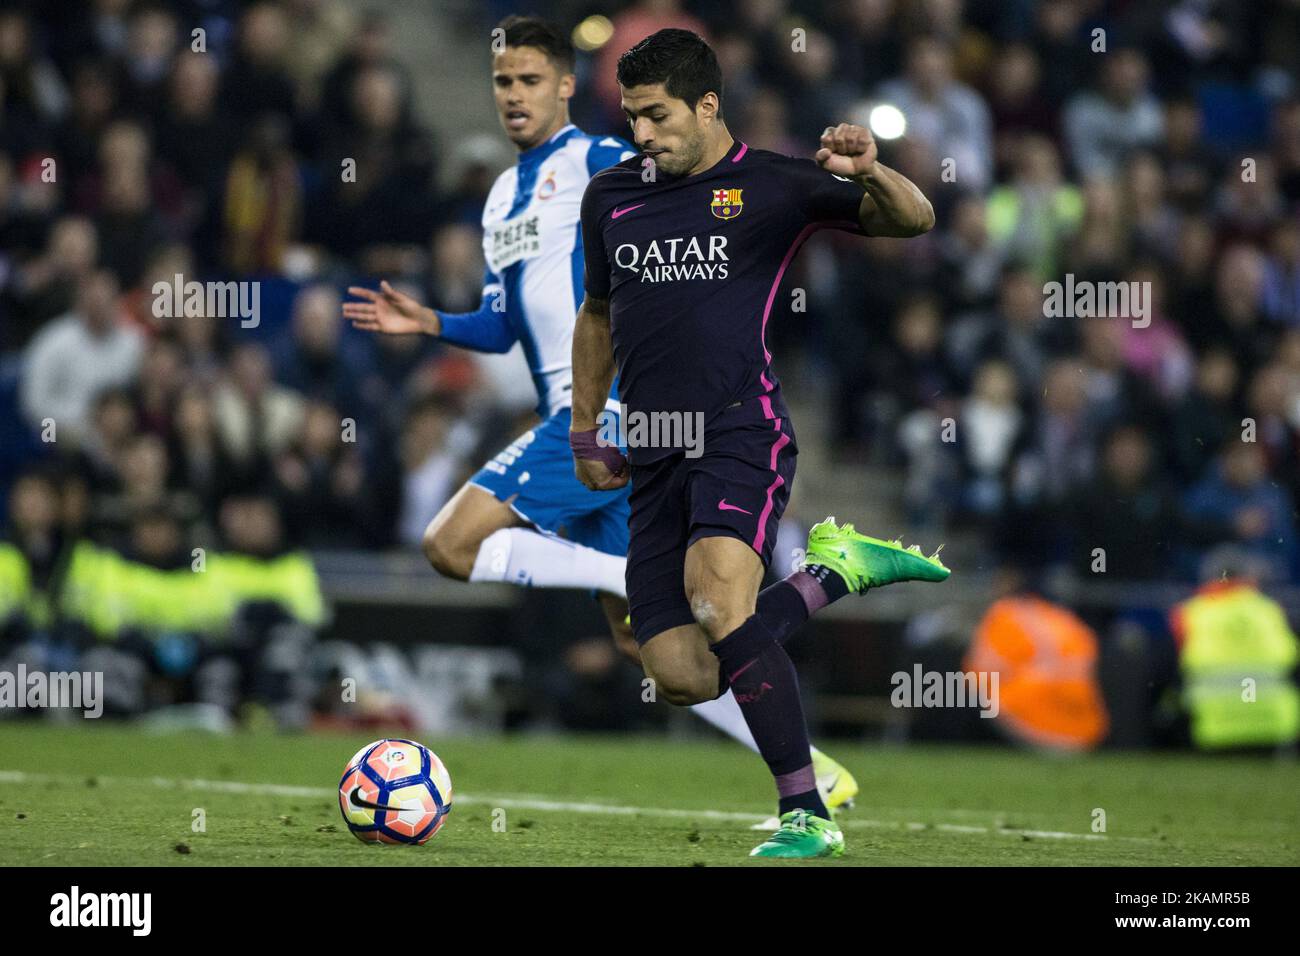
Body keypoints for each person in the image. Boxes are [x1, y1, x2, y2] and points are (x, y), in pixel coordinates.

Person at [343, 17, 859, 813]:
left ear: (563, 86)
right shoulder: (500, 199)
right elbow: (506, 322)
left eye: (528, 81)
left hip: (611, 415)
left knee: (449, 544)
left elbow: (640, 271)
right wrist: (436, 325)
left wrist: (615, 404)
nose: (512, 96)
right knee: (661, 653)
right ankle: (810, 763)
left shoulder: (607, 160)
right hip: (582, 411)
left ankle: (663, 595)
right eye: (501, 83)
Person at [570, 29, 948, 859]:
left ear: (707, 106)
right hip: (651, 451)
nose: (643, 135)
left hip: (741, 430)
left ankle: (805, 814)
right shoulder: (611, 197)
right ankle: (833, 573)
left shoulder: (773, 185)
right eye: (633, 116)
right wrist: (584, 425)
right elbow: (596, 316)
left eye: (657, 116)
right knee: (681, 673)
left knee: (717, 602)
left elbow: (916, 220)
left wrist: (871, 170)